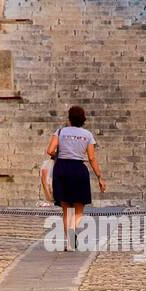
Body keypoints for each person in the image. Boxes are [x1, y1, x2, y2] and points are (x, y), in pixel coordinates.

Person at [47, 106, 106, 250]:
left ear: (69, 118)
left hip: (61, 168)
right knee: (79, 208)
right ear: (83, 119)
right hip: (78, 169)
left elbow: (49, 150)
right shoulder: (87, 135)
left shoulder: (60, 132)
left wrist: (60, 157)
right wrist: (100, 177)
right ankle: (72, 234)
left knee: (66, 208)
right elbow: (91, 158)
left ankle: (69, 241)